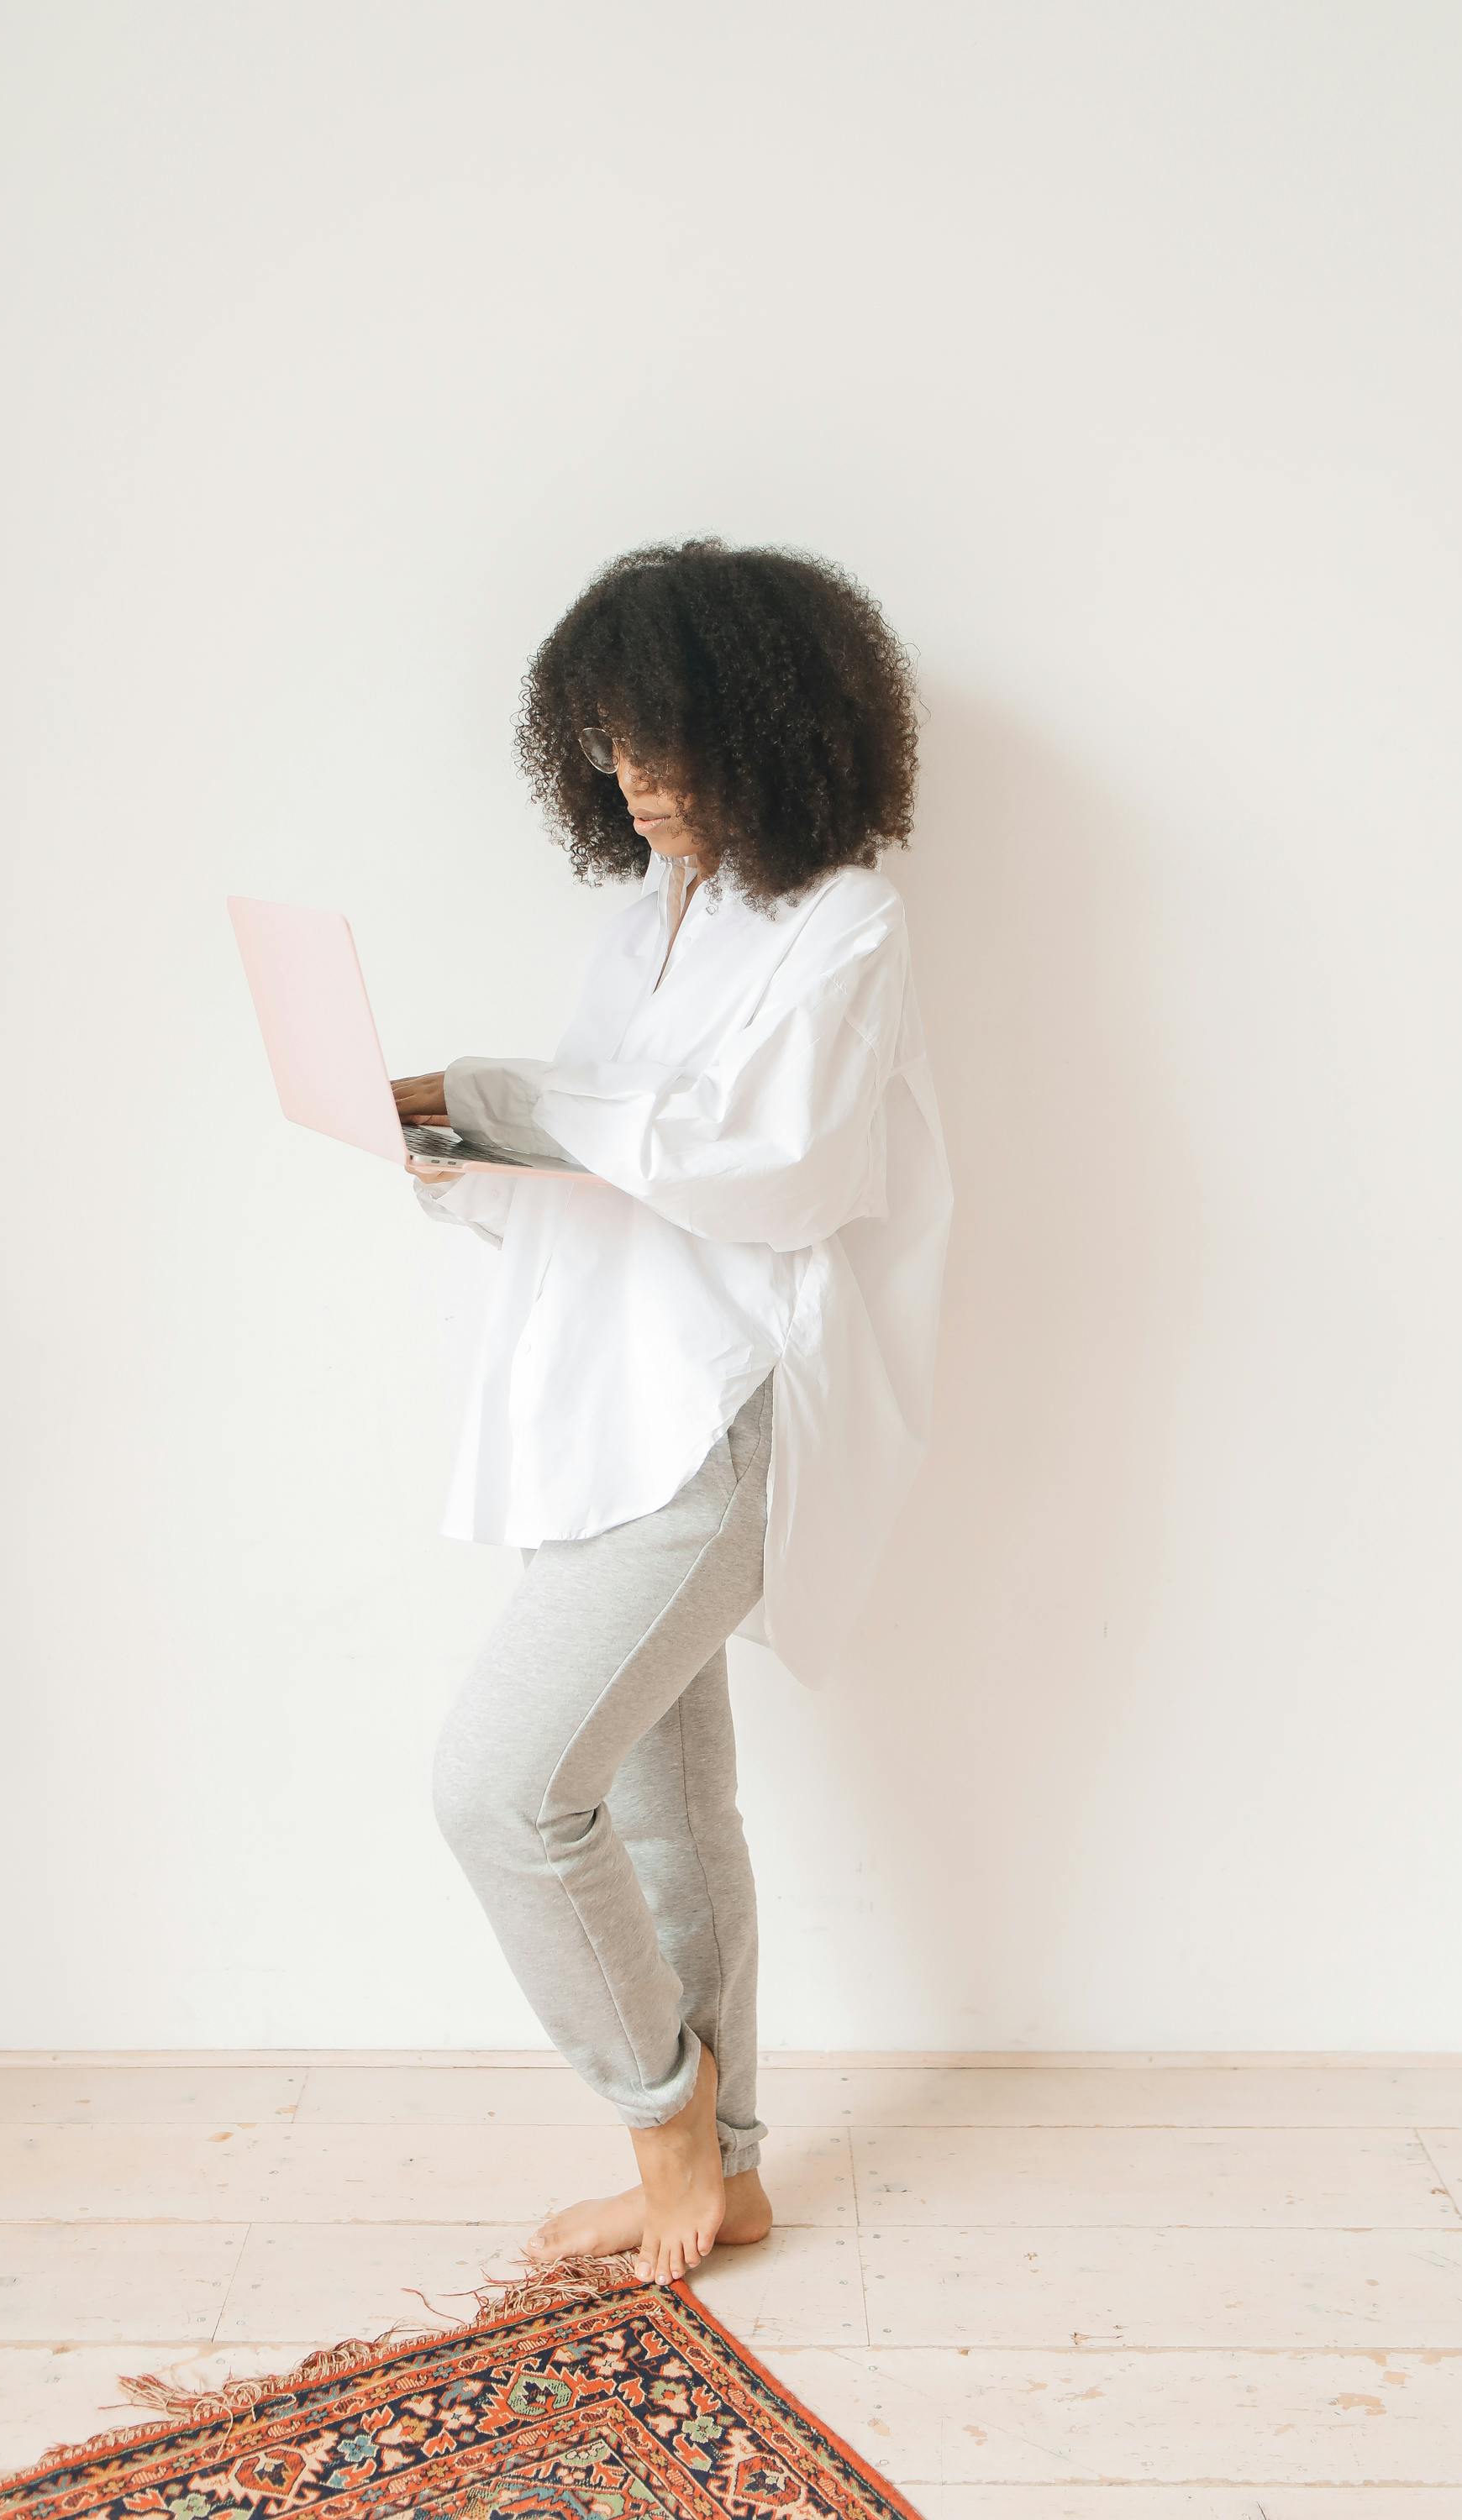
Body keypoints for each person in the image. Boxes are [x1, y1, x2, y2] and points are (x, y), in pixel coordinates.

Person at [393, 537, 953, 2288]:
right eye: (609, 746)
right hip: (607, 1397)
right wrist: (455, 1131)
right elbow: (603, 1141)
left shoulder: (845, 920)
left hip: (718, 1420)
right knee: (656, 1803)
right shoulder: (644, 921)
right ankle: (737, 2172)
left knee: (497, 1788)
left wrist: (515, 1101)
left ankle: (664, 2122)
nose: (634, 783)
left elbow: (764, 1166)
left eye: (669, 743)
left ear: (774, 733)